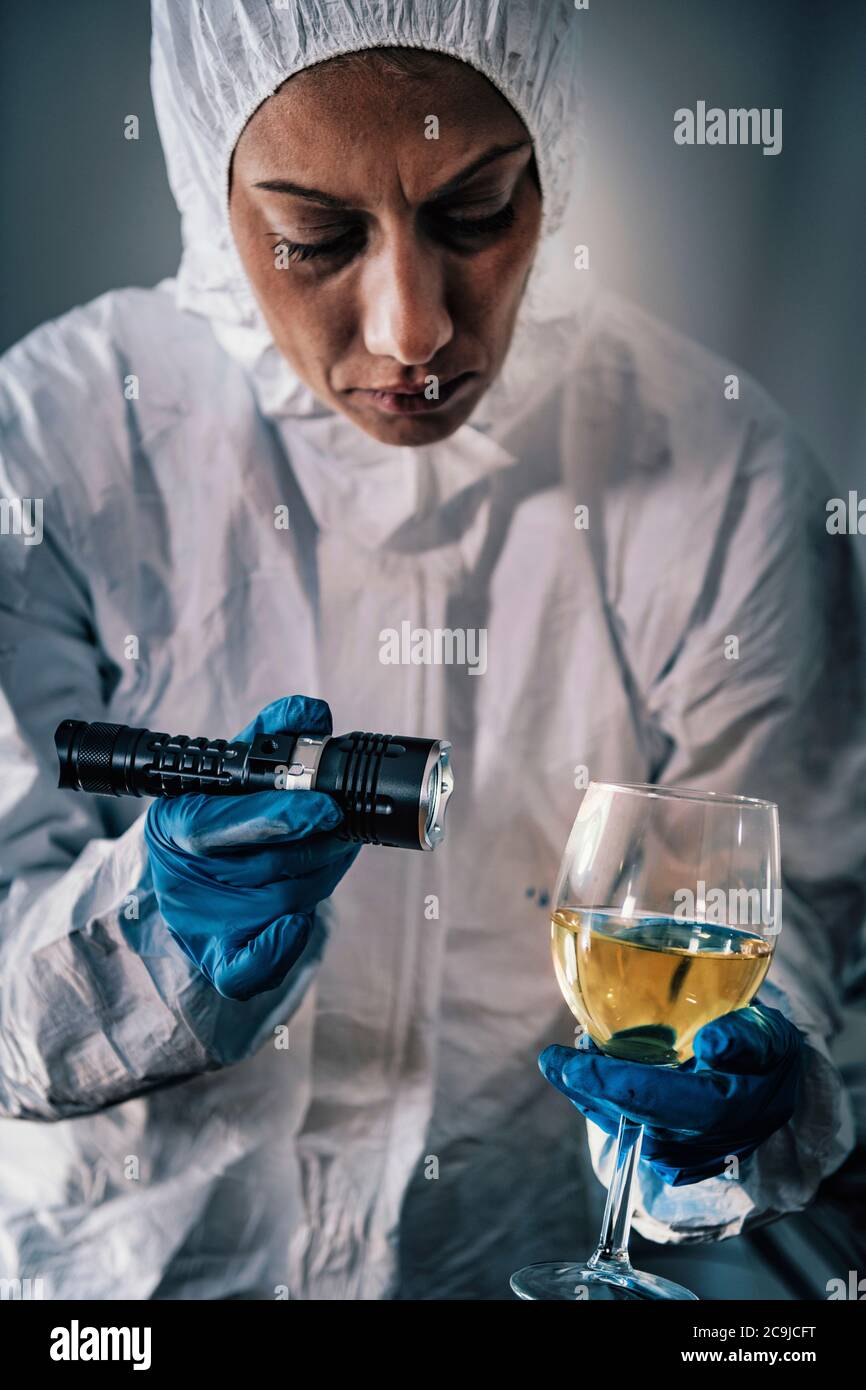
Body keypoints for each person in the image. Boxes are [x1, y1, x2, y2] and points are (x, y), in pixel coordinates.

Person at [0, 0, 864, 1302]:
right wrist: (156, 928)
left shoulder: (723, 471)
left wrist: (747, 1079)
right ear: (205, 181)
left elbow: (778, 901)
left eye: (474, 216)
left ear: (551, 163)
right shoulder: (52, 447)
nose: (413, 331)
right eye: (312, 238)